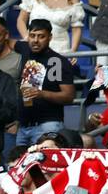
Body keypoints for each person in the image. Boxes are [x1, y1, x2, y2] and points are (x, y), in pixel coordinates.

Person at [14, 19, 76, 149]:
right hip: (23, 126)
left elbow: (69, 96)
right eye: (32, 36)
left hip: (48, 125)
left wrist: (42, 94)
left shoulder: (58, 61)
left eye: (41, 36)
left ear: (50, 37)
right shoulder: (24, 49)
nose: (35, 40)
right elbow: (5, 41)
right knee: (21, 166)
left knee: (45, 166)